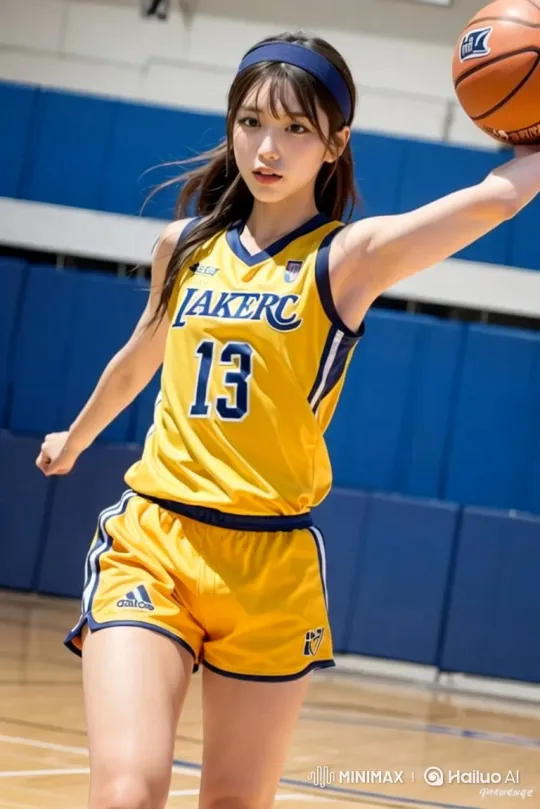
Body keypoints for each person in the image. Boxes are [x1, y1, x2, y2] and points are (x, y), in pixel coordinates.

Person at [35, 30, 540, 809]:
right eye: (251, 122)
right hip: (155, 542)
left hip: (271, 564)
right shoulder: (186, 245)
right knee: (128, 790)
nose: (267, 148)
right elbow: (139, 357)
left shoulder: (349, 258)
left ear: (335, 144)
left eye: (296, 128)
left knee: (235, 800)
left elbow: (496, 197)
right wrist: (76, 437)